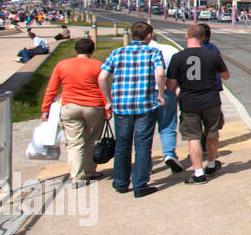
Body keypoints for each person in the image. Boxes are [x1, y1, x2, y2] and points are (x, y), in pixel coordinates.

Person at [99, 21, 167, 197]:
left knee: (123, 145)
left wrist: (108, 100)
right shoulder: (154, 52)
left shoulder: (116, 53)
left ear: (131, 34)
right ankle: (140, 185)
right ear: (149, 36)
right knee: (143, 145)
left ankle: (121, 183)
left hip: (121, 108)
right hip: (145, 105)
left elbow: (102, 77)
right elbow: (160, 74)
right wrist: (160, 94)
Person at [167, 23, 230, 184]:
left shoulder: (177, 58)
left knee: (193, 137)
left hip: (189, 101)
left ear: (186, 37)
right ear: (203, 37)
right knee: (212, 133)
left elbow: (171, 85)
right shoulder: (212, 55)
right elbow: (226, 75)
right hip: (211, 99)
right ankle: (211, 164)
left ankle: (198, 173)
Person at [41, 37, 107, 186]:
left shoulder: (62, 65)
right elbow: (102, 88)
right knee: (92, 140)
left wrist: (45, 108)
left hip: (70, 106)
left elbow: (51, 89)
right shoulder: (98, 65)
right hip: (93, 106)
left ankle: (77, 176)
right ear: (92, 50)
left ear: (76, 50)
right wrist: (107, 108)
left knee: (74, 143)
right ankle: (90, 170)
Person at [148, 32, 183, 174]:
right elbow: (181, 69)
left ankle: (145, 162)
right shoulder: (169, 49)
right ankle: (169, 154)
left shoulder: (130, 52)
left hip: (144, 93)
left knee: (145, 129)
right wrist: (178, 87)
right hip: (167, 91)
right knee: (168, 124)